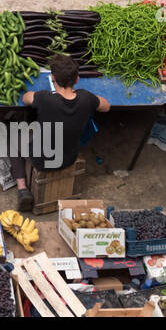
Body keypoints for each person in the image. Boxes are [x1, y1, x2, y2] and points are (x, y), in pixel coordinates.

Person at [9, 53, 109, 213]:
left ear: (52, 78)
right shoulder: (86, 98)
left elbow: (26, 99)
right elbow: (106, 106)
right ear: (77, 79)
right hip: (69, 159)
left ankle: (22, 189)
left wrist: (42, 96)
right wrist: (91, 99)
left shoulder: (45, 98)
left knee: (13, 138)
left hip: (42, 161)